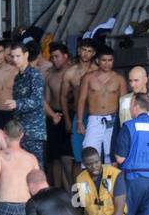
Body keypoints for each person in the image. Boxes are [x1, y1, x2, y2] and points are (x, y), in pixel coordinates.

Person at [77, 45, 126, 162]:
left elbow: (124, 104)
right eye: (104, 60)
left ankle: (110, 179)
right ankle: (90, 180)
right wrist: (79, 121)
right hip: (94, 118)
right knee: (90, 151)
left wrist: (124, 123)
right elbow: (81, 99)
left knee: (111, 153)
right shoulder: (88, 77)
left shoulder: (119, 79)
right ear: (98, 61)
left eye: (110, 60)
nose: (107, 63)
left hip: (113, 120)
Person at [10, 41, 47, 165]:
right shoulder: (17, 78)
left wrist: (17, 104)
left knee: (36, 167)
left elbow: (37, 100)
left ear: (26, 55)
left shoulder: (34, 75)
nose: (15, 59)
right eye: (12, 56)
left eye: (18, 56)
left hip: (33, 132)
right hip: (20, 132)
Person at [45, 42, 75, 189]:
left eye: (57, 56)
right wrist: (52, 115)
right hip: (55, 117)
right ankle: (57, 191)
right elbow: (46, 100)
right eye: (52, 57)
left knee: (70, 158)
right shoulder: (50, 75)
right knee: (55, 158)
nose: (54, 60)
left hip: (72, 115)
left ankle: (73, 192)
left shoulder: (73, 73)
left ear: (65, 56)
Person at [66, 38, 97, 163]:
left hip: (95, 115)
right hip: (78, 116)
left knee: (96, 154)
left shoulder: (97, 71)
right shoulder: (70, 72)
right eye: (84, 50)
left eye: (89, 51)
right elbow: (63, 97)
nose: (86, 53)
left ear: (94, 53)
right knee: (78, 157)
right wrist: (68, 120)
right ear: (79, 50)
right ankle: (79, 183)